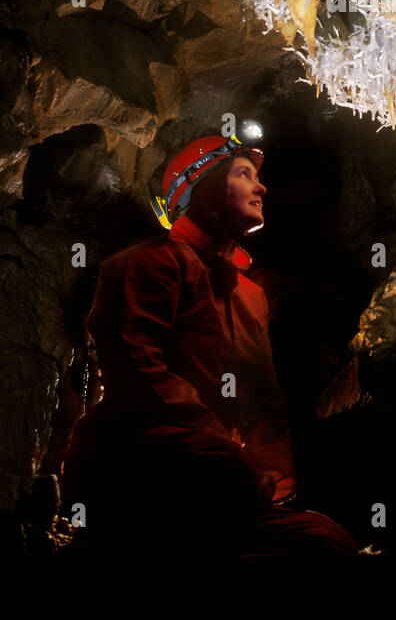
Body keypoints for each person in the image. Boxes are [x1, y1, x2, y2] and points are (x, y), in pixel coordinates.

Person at [61, 127, 359, 567]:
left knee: (330, 543)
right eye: (243, 174)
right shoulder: (146, 264)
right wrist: (224, 451)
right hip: (142, 467)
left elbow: (263, 404)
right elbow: (135, 367)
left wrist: (279, 487)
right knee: (219, 487)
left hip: (224, 481)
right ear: (203, 188)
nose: (261, 186)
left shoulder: (248, 296)